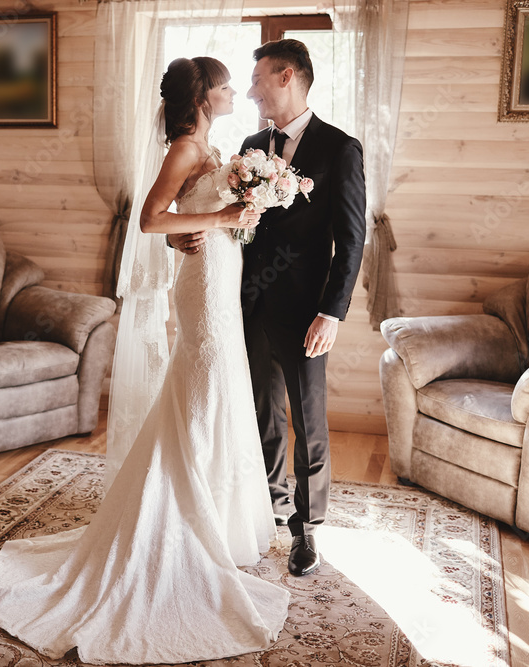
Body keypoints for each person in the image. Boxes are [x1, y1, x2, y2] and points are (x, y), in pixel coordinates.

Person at [0, 56, 290, 664]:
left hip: (221, 274)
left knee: (219, 389)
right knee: (202, 391)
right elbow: (150, 218)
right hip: (202, 288)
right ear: (202, 95)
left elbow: (177, 221)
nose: (232, 92)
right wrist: (216, 218)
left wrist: (227, 219)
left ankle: (217, 522)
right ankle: (178, 519)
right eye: (225, 85)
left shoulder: (209, 145)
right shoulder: (182, 147)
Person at [170, 39, 366, 577]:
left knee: (308, 418)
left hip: (307, 311)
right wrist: (179, 239)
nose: (251, 91)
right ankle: (273, 509)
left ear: (286, 77)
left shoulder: (339, 149)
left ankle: (308, 528)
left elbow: (351, 241)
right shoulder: (252, 143)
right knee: (262, 411)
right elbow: (222, 215)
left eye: (256, 80)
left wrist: (333, 311)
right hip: (243, 303)